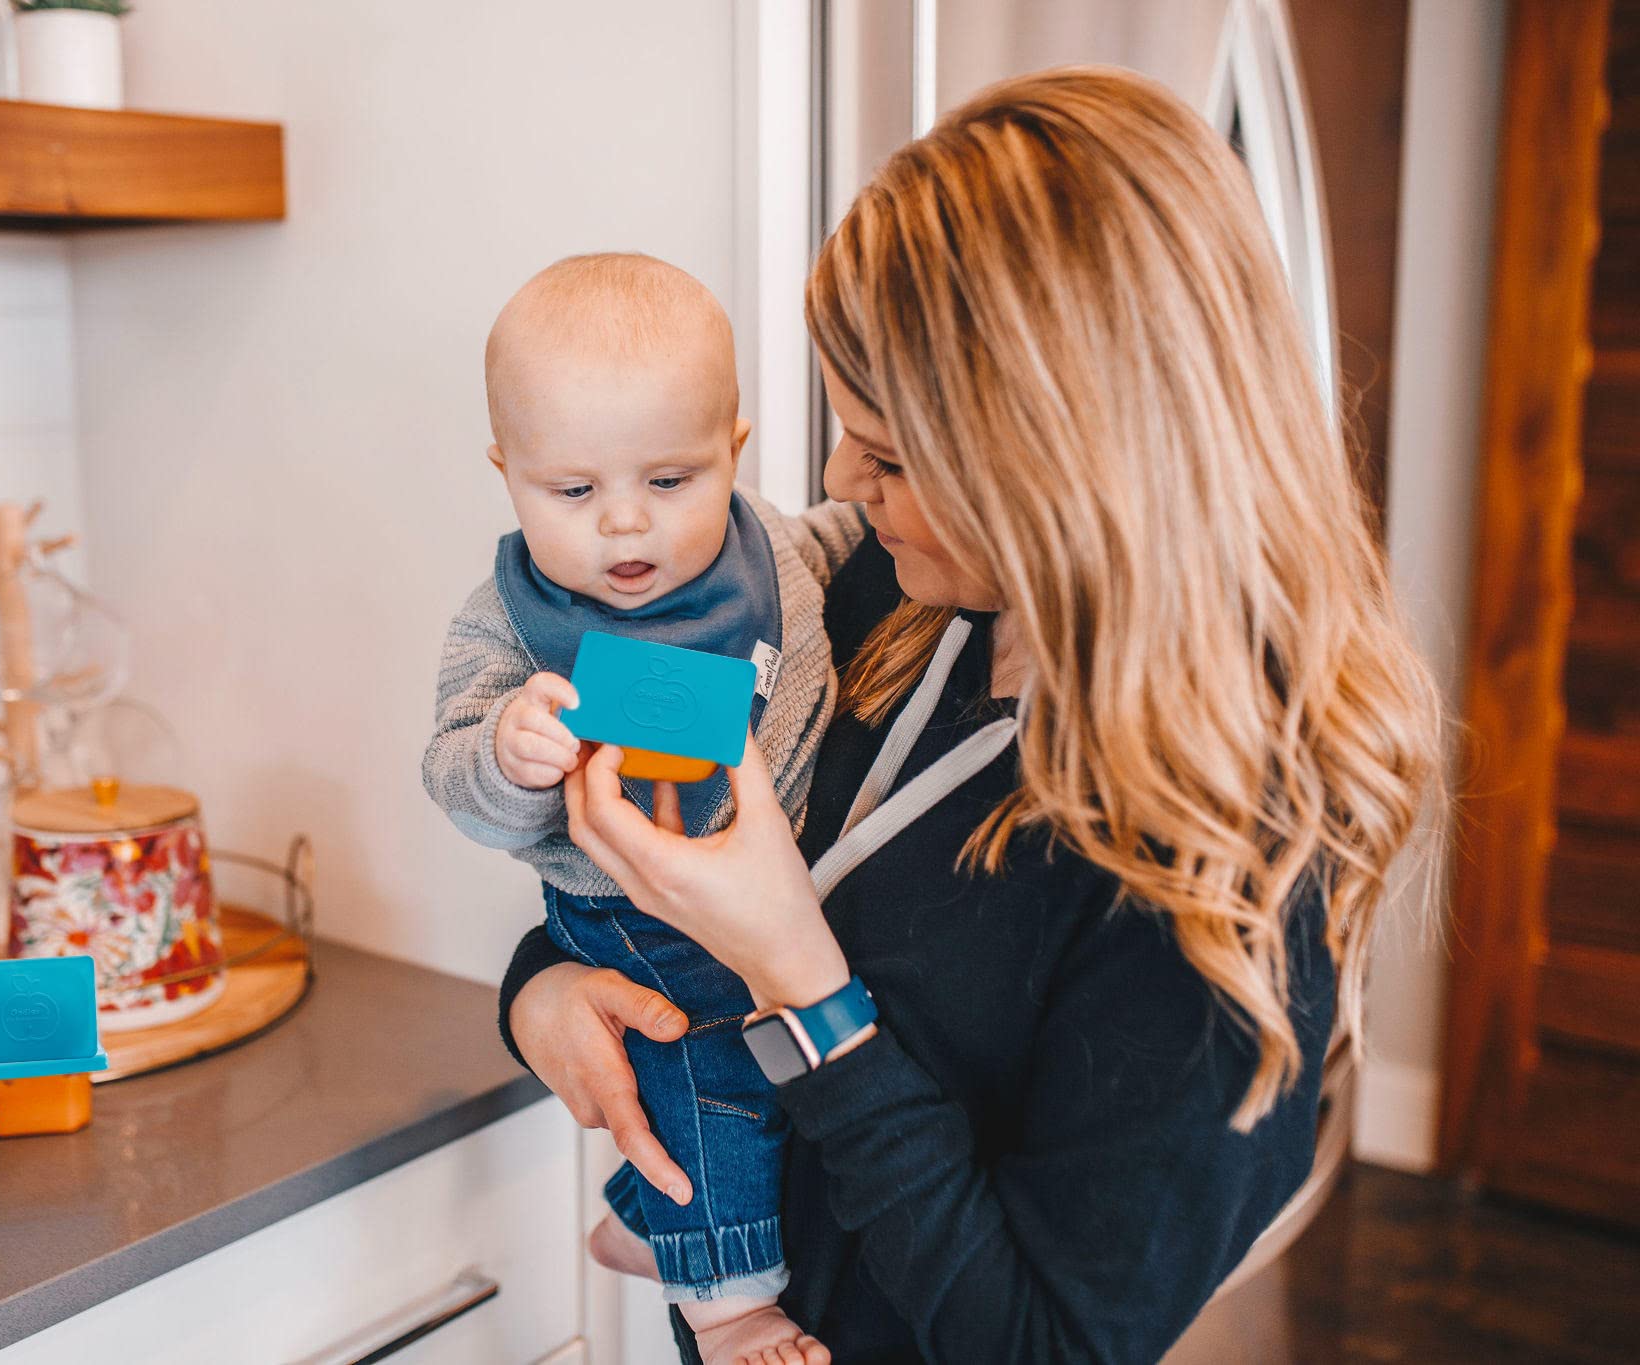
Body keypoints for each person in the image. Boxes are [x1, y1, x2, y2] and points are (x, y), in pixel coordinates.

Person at [498, 67, 1443, 1363]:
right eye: (847, 435)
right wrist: (542, 986)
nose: (835, 483)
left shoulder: (1232, 852)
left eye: (888, 458)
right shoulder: (883, 591)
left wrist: (803, 980)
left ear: (1066, 470)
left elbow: (1045, 1339)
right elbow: (638, 837)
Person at [423, 253, 863, 1363]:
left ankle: (639, 1216)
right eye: (571, 493)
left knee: (751, 1078)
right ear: (504, 471)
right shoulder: (512, 626)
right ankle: (728, 1300)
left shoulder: (769, 549)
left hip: (766, 878)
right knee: (712, 1056)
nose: (624, 528)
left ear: (733, 452)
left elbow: (849, 539)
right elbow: (449, 769)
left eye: (670, 482)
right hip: (626, 907)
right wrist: (509, 753)